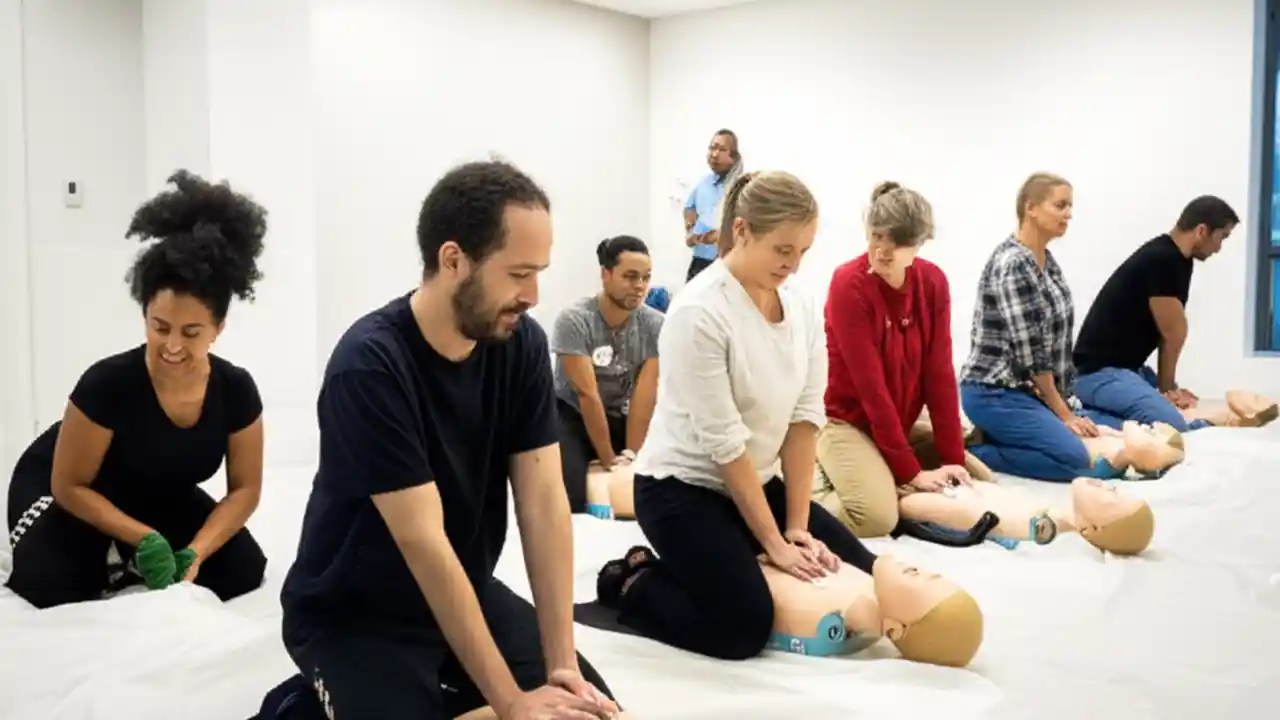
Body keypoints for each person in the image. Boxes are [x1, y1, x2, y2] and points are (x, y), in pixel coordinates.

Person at [264, 161, 619, 720]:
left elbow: (545, 505)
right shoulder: (369, 366)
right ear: (453, 260)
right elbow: (424, 542)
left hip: (466, 591)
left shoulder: (521, 346)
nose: (532, 294)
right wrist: (511, 705)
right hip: (355, 613)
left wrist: (562, 666)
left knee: (594, 715)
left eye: (539, 273)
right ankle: (302, 706)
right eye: (518, 274)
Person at [593, 171, 967, 662]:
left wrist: (796, 528)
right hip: (680, 490)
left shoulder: (802, 307)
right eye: (782, 250)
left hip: (756, 479)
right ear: (743, 230)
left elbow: (804, 420)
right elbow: (724, 444)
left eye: (804, 252)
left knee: (859, 568)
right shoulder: (698, 312)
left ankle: (746, 543)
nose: (792, 265)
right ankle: (633, 580)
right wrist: (771, 541)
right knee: (742, 627)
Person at [4, 170, 268, 609]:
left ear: (218, 328)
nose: (173, 345)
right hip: (69, 490)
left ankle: (122, 556)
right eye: (159, 326)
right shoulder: (107, 383)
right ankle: (119, 554)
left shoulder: (236, 390)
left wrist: (196, 550)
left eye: (192, 331)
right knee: (53, 583)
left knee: (241, 569)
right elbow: (69, 483)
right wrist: (142, 537)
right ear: (145, 313)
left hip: (154, 492)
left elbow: (245, 489)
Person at [815, 181, 990, 539]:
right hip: (849, 424)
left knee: (978, 481)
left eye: (896, 243)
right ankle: (809, 494)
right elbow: (871, 389)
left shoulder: (932, 282)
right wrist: (911, 473)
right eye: (877, 237)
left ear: (919, 244)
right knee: (876, 518)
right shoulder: (848, 284)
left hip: (898, 423)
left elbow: (938, 376)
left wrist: (952, 459)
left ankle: (891, 479)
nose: (882, 251)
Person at [958, 173, 1137, 483]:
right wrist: (1064, 415)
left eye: (1070, 206)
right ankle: (978, 450)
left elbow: (1056, 345)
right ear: (1031, 208)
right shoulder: (1012, 264)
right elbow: (1033, 356)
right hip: (994, 392)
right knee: (1075, 460)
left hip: (1030, 391)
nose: (1069, 214)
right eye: (1060, 205)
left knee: (1113, 426)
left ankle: (1012, 435)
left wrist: (1068, 406)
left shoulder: (1046, 261)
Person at [1072, 196, 1242, 432]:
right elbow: (1173, 333)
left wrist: (1168, 389)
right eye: (1221, 237)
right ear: (1202, 230)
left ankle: (1091, 410)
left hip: (1126, 369)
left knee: (1181, 407)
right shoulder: (1163, 259)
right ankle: (1076, 416)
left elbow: (1170, 331)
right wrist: (1167, 391)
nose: (1218, 248)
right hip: (1099, 374)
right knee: (1171, 426)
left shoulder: (1177, 259)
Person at [551, 235, 663, 513]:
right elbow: (586, 394)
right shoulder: (574, 320)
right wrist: (607, 459)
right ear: (606, 274)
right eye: (630, 276)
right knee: (571, 497)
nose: (639, 286)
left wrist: (630, 456)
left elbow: (644, 394)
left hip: (619, 414)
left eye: (646, 278)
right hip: (572, 414)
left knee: (652, 481)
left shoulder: (655, 324)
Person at [682, 128, 743, 282]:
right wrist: (690, 230)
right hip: (700, 260)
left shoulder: (740, 187)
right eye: (712, 148)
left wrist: (718, 236)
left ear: (733, 156)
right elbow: (689, 208)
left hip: (727, 263)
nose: (714, 154)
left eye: (722, 149)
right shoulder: (704, 182)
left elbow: (747, 226)